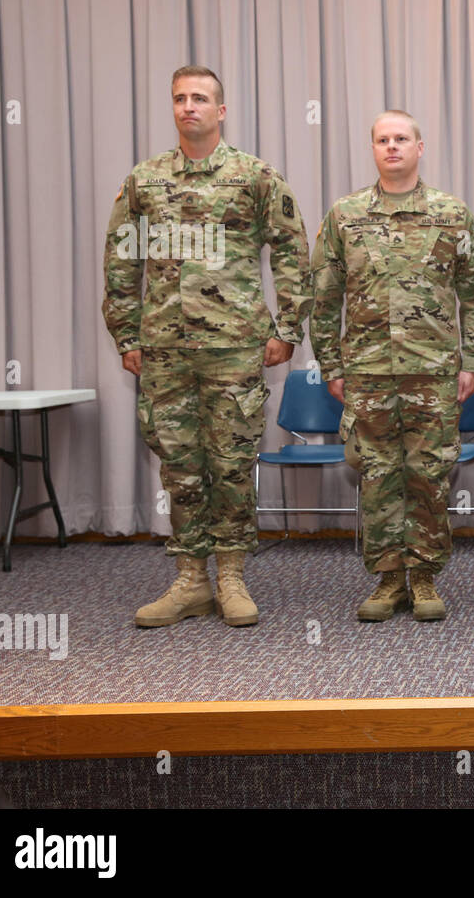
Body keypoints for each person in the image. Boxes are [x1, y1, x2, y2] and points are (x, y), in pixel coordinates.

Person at [103, 65, 310, 628]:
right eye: (179, 98)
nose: (188, 106)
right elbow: (122, 261)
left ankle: (232, 576)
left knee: (232, 462)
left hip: (235, 347)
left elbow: (293, 252)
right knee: (180, 466)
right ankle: (191, 579)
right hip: (164, 348)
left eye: (200, 98)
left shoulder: (255, 176)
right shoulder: (145, 181)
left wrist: (286, 329)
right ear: (172, 108)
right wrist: (126, 333)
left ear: (221, 111)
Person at [311, 110, 474, 622]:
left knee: (429, 474)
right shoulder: (345, 215)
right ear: (372, 149)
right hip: (367, 372)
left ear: (421, 147)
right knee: (377, 475)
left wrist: (473, 360)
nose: (392, 147)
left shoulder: (450, 213)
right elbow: (323, 298)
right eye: (382, 140)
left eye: (401, 139)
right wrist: (331, 363)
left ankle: (427, 576)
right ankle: (389, 577)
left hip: (432, 371)